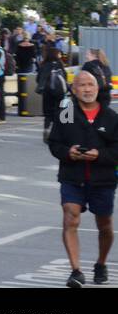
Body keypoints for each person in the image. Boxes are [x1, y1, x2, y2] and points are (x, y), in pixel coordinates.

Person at [48, 69, 117, 287]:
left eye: (91, 85)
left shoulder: (110, 116)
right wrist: (69, 152)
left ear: (98, 88)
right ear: (74, 90)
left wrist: (100, 155)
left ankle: (101, 263)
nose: (87, 89)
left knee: (104, 225)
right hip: (72, 176)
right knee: (71, 217)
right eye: (82, 85)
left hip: (103, 179)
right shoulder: (66, 112)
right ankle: (75, 271)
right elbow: (54, 143)